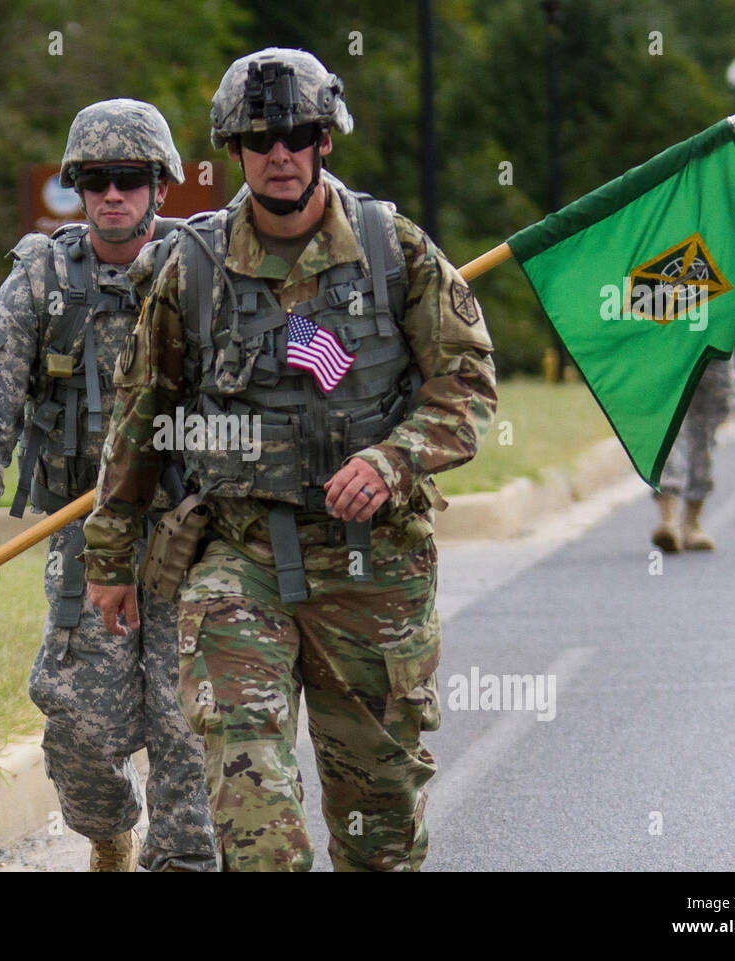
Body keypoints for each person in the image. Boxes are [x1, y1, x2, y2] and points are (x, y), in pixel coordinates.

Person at [83, 48, 497, 871]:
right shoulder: (191, 267)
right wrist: (109, 554)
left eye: (298, 134)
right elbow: (142, 413)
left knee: (381, 833)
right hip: (240, 558)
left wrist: (394, 459)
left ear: (325, 141)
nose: (281, 152)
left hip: (372, 569)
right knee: (254, 820)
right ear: (234, 149)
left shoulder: (393, 248)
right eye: (260, 136)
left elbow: (468, 388)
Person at [0, 100, 217, 872]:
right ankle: (108, 829)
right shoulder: (41, 277)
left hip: (190, 533)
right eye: (95, 180)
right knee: (76, 721)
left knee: (186, 729)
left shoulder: (202, 266)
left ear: (160, 188)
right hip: (82, 531)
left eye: (130, 180)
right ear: (75, 186)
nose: (112, 195)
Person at [650, 359, 735, 552]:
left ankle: (691, 523)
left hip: (714, 346)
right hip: (669, 340)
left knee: (703, 432)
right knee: (668, 427)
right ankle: (670, 520)